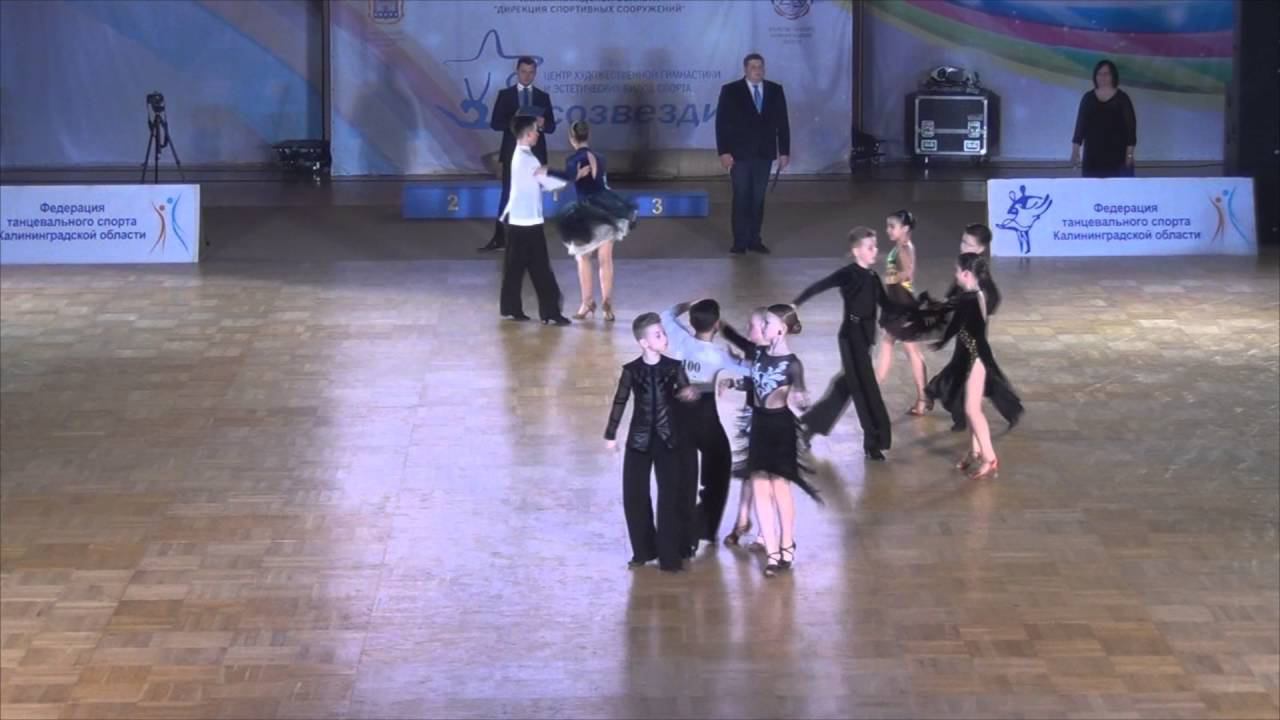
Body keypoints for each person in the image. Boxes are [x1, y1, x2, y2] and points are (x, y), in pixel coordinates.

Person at [721, 305, 821, 578]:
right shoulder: (759, 354)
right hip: (759, 426)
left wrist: (802, 400)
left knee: (780, 487)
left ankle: (787, 543)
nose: (762, 327)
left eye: (767, 323)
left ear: (781, 329)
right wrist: (732, 383)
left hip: (780, 428)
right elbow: (755, 383)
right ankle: (773, 553)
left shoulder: (792, 363)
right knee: (760, 487)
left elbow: (801, 398)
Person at [604, 313, 699, 572]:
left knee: (670, 497)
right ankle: (643, 550)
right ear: (644, 343)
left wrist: (689, 396)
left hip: (668, 440)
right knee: (634, 495)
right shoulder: (631, 370)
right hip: (639, 440)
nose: (664, 338)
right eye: (658, 335)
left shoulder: (674, 367)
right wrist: (610, 434)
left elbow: (684, 396)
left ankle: (670, 554)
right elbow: (620, 401)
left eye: (663, 333)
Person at [792, 227, 892, 461]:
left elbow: (887, 305)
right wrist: (795, 304)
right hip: (850, 337)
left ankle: (808, 425)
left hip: (865, 337)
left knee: (847, 385)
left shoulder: (873, 277)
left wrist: (917, 311)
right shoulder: (849, 274)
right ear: (857, 251)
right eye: (870, 247)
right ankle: (873, 442)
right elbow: (820, 286)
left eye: (875, 246)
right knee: (864, 388)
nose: (875, 250)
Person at [924, 254, 1022, 480]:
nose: (955, 275)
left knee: (972, 410)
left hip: (975, 359)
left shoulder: (970, 299)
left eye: (957, 271)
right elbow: (956, 323)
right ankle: (975, 451)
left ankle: (989, 458)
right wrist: (943, 342)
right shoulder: (973, 296)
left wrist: (940, 335)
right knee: (969, 406)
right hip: (966, 356)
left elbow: (953, 319)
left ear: (967, 274)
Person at [660, 299, 747, 550]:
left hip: (678, 413)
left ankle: (681, 533)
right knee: (720, 464)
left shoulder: (681, 340)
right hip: (705, 416)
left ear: (691, 322)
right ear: (717, 324)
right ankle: (705, 526)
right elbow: (750, 371)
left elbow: (667, 314)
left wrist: (688, 304)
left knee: (685, 474)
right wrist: (738, 362)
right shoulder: (719, 355)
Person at [554, 121, 638, 321]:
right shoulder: (601, 158)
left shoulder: (573, 159)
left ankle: (587, 303)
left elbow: (567, 180)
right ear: (588, 136)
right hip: (607, 210)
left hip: (586, 213)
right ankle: (607, 305)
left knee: (583, 257)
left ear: (571, 139)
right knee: (605, 258)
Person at [498, 115, 572, 326]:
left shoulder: (520, 154)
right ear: (528, 134)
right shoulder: (528, 159)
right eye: (536, 131)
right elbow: (550, 183)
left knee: (515, 268)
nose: (538, 134)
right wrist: (570, 176)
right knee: (540, 269)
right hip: (528, 222)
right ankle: (550, 313)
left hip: (518, 221)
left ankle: (511, 309)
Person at [714, 53, 790, 255]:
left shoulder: (775, 90)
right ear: (745, 69)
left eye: (760, 66)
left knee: (758, 198)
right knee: (741, 196)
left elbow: (783, 122)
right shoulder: (731, 90)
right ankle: (739, 242)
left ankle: (754, 239)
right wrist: (724, 152)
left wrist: (784, 151)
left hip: (764, 154)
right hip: (739, 154)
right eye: (753, 66)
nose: (758, 70)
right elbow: (722, 123)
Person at [480, 56, 557, 252]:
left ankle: (531, 241)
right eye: (523, 72)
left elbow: (551, 127)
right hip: (512, 154)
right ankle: (500, 239)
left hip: (535, 155)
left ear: (535, 73)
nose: (527, 76)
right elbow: (495, 123)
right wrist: (516, 120)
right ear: (517, 71)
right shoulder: (505, 95)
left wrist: (543, 123)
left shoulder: (542, 96)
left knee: (534, 197)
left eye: (531, 72)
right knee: (507, 195)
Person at [874, 210, 930, 416]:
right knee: (890, 344)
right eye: (888, 226)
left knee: (911, 351)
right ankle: (875, 387)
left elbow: (908, 273)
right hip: (897, 305)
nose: (888, 230)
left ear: (905, 228)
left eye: (892, 226)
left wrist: (888, 278)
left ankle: (923, 399)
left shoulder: (905, 248)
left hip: (903, 307)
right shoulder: (900, 247)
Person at [1070, 59, 1137, 179]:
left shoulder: (1122, 98)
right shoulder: (1088, 98)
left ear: (1113, 76)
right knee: (1092, 188)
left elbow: (1131, 129)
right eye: (1099, 74)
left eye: (1106, 74)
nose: (1102, 77)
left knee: (1117, 188)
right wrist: (1075, 151)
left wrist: (1130, 155)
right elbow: (1080, 126)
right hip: (1092, 155)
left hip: (1118, 155)